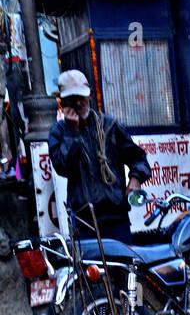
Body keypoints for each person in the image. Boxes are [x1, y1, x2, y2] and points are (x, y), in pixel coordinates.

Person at [48, 70, 151, 243]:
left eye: (81, 97)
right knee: (91, 269)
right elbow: (62, 167)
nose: (79, 103)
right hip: (84, 222)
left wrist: (135, 179)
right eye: (72, 100)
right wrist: (72, 134)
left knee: (123, 266)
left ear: (89, 96)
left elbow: (138, 157)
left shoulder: (109, 125)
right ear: (63, 103)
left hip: (116, 217)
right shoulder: (59, 132)